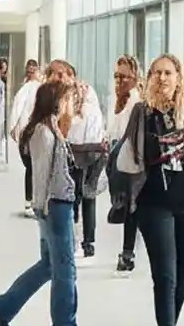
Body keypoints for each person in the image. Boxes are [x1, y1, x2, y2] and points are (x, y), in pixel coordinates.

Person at [112, 54, 184, 326]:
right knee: (165, 276)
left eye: (168, 73)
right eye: (157, 73)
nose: (163, 78)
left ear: (179, 78)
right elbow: (129, 153)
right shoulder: (142, 113)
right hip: (153, 202)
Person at [0, 79, 79, 326]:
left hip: (50, 205)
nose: (70, 104)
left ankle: (4, 307)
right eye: (67, 99)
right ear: (56, 102)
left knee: (49, 266)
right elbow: (44, 173)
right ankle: (65, 322)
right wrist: (44, 207)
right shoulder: (44, 133)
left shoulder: (46, 129)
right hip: (55, 205)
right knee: (65, 270)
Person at [107, 55, 143, 276]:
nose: (119, 80)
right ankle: (128, 252)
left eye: (124, 76)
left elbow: (130, 135)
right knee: (130, 208)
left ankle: (128, 254)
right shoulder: (119, 98)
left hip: (132, 161)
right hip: (120, 158)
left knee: (132, 209)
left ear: (135, 77)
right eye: (116, 76)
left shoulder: (136, 101)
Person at [67, 76, 107, 259]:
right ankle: (89, 242)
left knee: (74, 198)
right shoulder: (96, 110)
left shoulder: (75, 112)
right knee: (89, 199)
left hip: (76, 156)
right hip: (95, 156)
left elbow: (70, 135)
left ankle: (73, 237)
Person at [10, 59, 43, 216]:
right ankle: (30, 201)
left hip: (37, 133)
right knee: (31, 168)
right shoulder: (26, 90)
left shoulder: (38, 88)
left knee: (34, 168)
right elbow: (18, 112)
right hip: (29, 134)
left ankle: (34, 200)